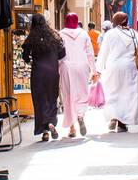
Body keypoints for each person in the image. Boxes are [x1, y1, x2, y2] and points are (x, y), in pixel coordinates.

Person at [93, 11, 138, 132]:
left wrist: (98, 70)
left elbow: (103, 53)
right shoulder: (134, 34)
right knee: (127, 94)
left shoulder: (110, 34)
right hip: (129, 67)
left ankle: (113, 116)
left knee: (112, 93)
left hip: (112, 67)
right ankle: (122, 122)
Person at [20, 13, 65, 141]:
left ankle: (44, 130)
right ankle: (51, 122)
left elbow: (25, 57)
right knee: (51, 98)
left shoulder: (31, 39)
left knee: (40, 101)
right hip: (52, 72)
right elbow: (62, 54)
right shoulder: (54, 37)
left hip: (38, 73)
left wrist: (33, 59)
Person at [58, 13, 96, 138]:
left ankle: (72, 128)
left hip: (66, 67)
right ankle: (80, 116)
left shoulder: (60, 34)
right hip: (82, 66)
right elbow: (90, 53)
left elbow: (57, 53)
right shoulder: (84, 34)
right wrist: (94, 71)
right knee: (82, 94)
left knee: (68, 96)